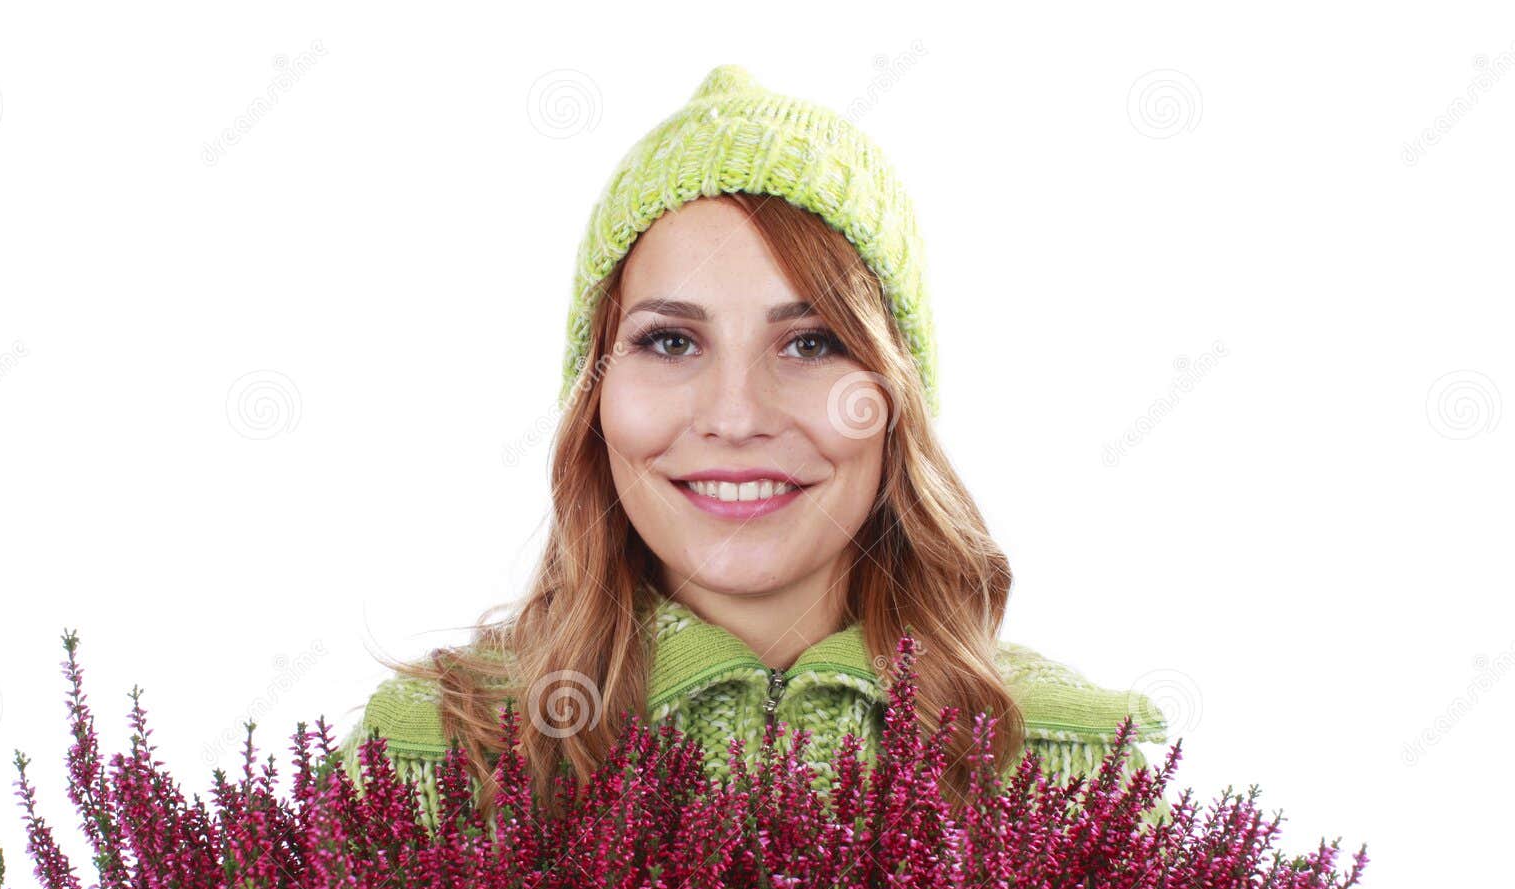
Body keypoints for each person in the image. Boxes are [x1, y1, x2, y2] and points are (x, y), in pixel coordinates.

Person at [335, 64, 1169, 825]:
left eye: (811, 344)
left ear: (895, 402)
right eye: (670, 342)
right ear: (595, 396)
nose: (736, 417)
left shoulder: (1082, 776)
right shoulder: (422, 763)